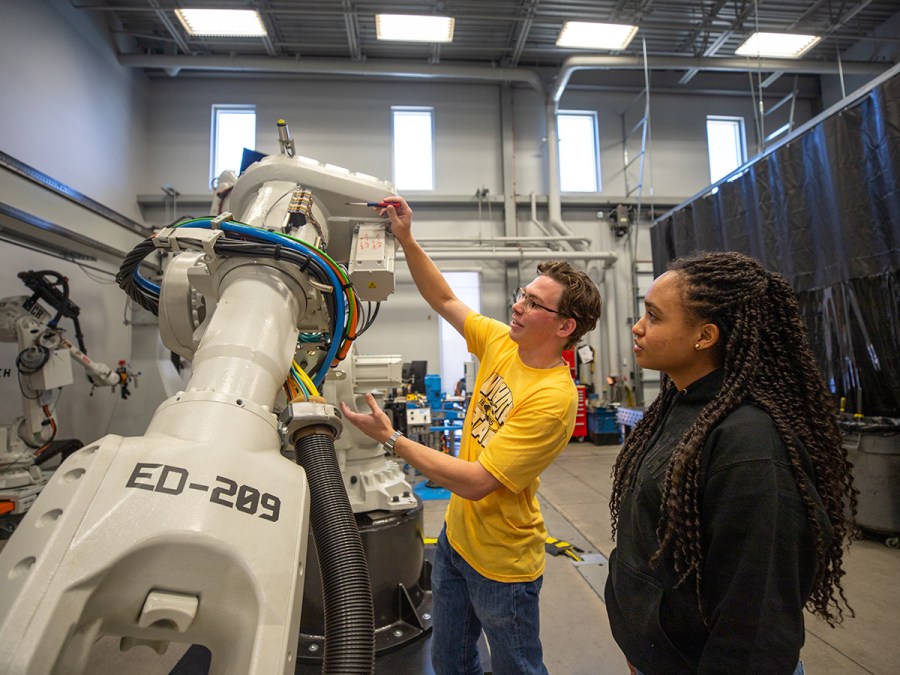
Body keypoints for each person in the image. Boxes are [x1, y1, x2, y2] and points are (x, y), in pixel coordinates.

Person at [340, 195, 602, 675]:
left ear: (566, 326)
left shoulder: (553, 398)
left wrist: (392, 439)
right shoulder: (503, 341)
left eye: (533, 304)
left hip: (503, 566)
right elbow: (443, 298)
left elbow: (479, 481)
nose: (517, 306)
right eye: (522, 295)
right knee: (451, 661)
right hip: (456, 542)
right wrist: (406, 238)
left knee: (516, 668)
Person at [605, 251, 857, 675]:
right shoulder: (681, 403)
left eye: (654, 315)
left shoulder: (752, 447)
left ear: (704, 336)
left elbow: (756, 620)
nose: (638, 326)